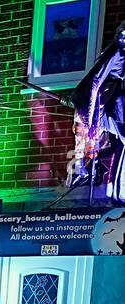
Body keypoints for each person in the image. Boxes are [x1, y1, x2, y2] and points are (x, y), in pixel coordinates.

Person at [71, 21, 125, 203]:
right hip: (106, 103)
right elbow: (96, 80)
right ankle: (86, 169)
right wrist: (93, 115)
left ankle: (97, 167)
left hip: (114, 101)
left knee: (118, 143)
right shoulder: (118, 52)